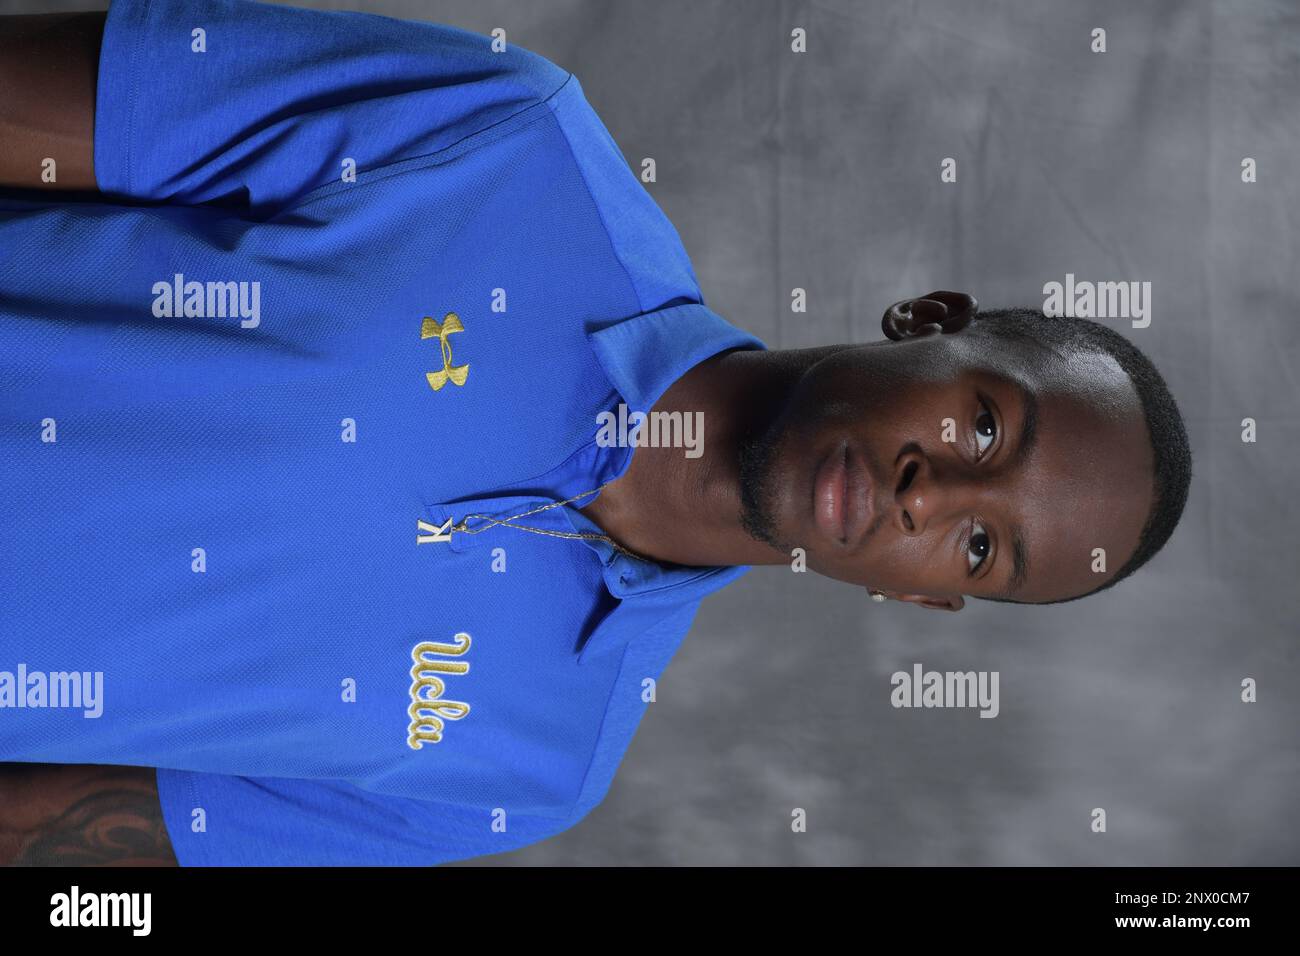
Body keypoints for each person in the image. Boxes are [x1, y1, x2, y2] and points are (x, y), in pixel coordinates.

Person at [0, 1, 1191, 865]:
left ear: (926, 599)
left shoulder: (525, 777)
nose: (933, 498)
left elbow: (75, 857)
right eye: (984, 424)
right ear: (931, 320)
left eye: (981, 551)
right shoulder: (508, 142)